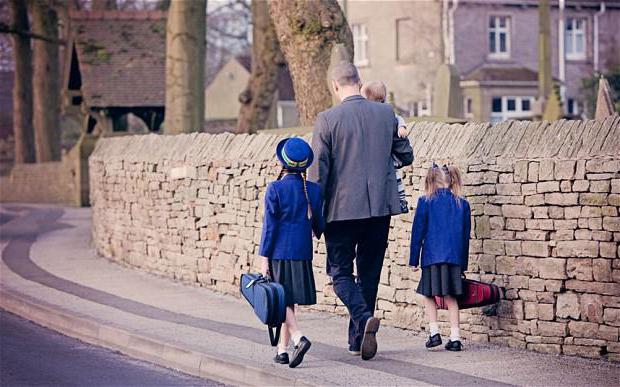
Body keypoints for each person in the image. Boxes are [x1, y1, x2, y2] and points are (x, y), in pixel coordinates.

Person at [308, 61, 414, 360]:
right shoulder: (385, 113)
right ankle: (357, 342)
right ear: (359, 80)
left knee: (340, 273)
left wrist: (315, 217)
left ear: (335, 85)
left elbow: (318, 174)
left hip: (341, 211)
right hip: (380, 208)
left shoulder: (327, 120)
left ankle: (362, 317)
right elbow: (406, 156)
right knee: (369, 274)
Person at [259, 137, 325, 368]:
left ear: (282, 162)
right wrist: (312, 231)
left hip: (279, 252)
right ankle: (282, 351)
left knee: (282, 299)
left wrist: (264, 258)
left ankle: (298, 337)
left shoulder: (275, 188)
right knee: (288, 302)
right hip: (302, 252)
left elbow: (270, 227)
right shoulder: (314, 191)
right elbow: (319, 225)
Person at [409, 164, 471, 352]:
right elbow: (465, 237)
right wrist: (463, 264)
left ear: (431, 181)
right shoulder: (463, 204)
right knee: (451, 297)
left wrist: (414, 259)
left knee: (429, 294)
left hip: (431, 256)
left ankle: (434, 332)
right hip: (454, 258)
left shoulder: (425, 202)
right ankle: (455, 337)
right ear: (452, 180)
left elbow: (417, 232)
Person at [361, 80, 410, 214]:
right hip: (380, 152)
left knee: (395, 176)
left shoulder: (386, 113)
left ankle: (401, 200)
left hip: (387, 153)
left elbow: (398, 119)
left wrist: (401, 127)